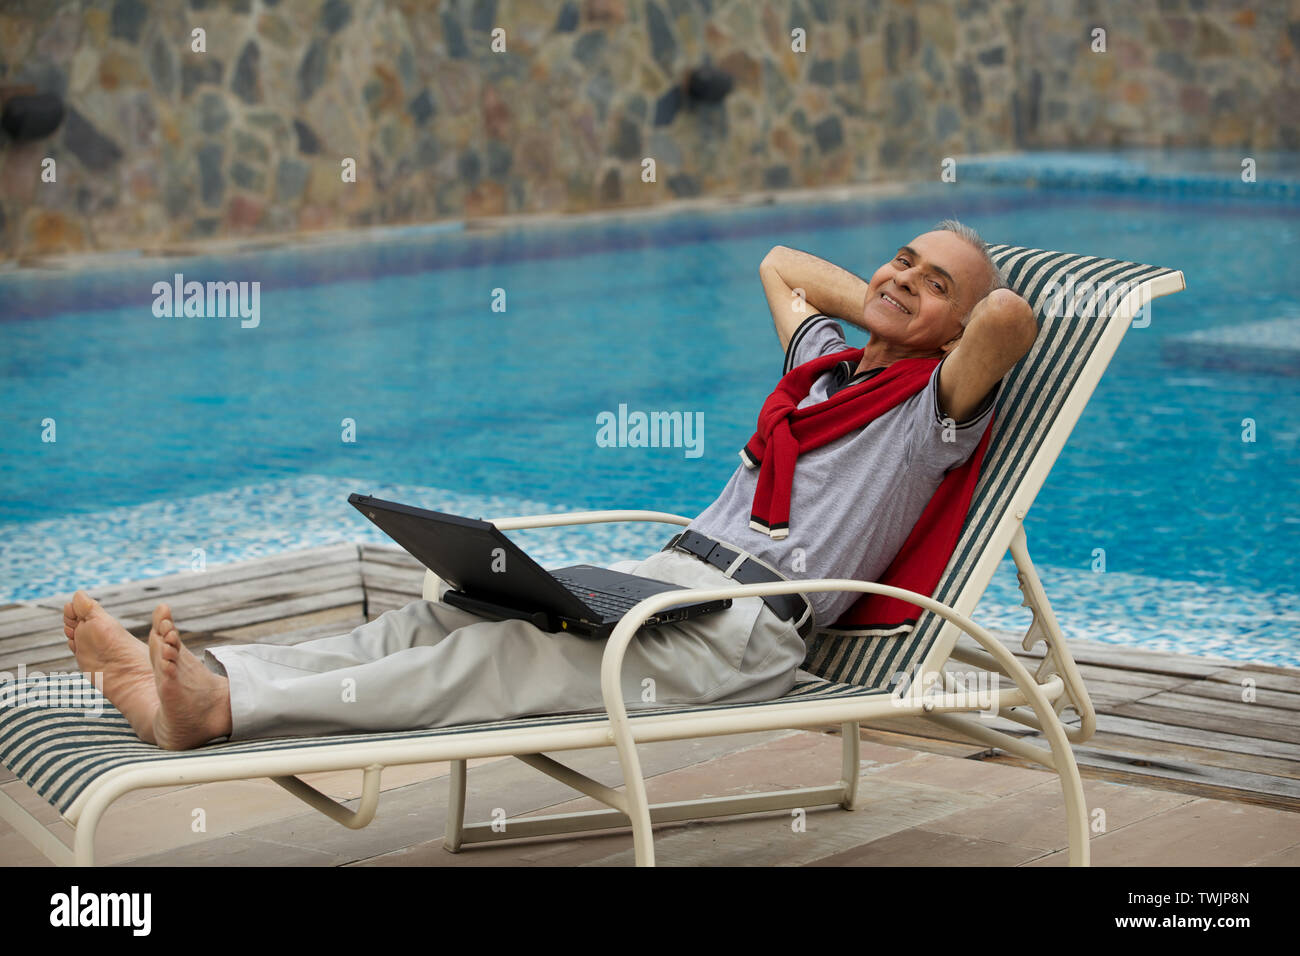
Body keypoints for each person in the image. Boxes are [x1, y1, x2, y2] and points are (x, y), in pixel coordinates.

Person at [62, 220, 1038, 750]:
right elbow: (778, 263)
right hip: (662, 576)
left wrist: (922, 310)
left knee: (495, 662)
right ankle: (206, 682)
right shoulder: (822, 367)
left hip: (742, 622)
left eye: (932, 282)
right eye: (900, 258)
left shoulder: (931, 416)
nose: (906, 277)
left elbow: (1003, 315)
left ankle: (218, 712)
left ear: (953, 334)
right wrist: (886, 297)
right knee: (443, 612)